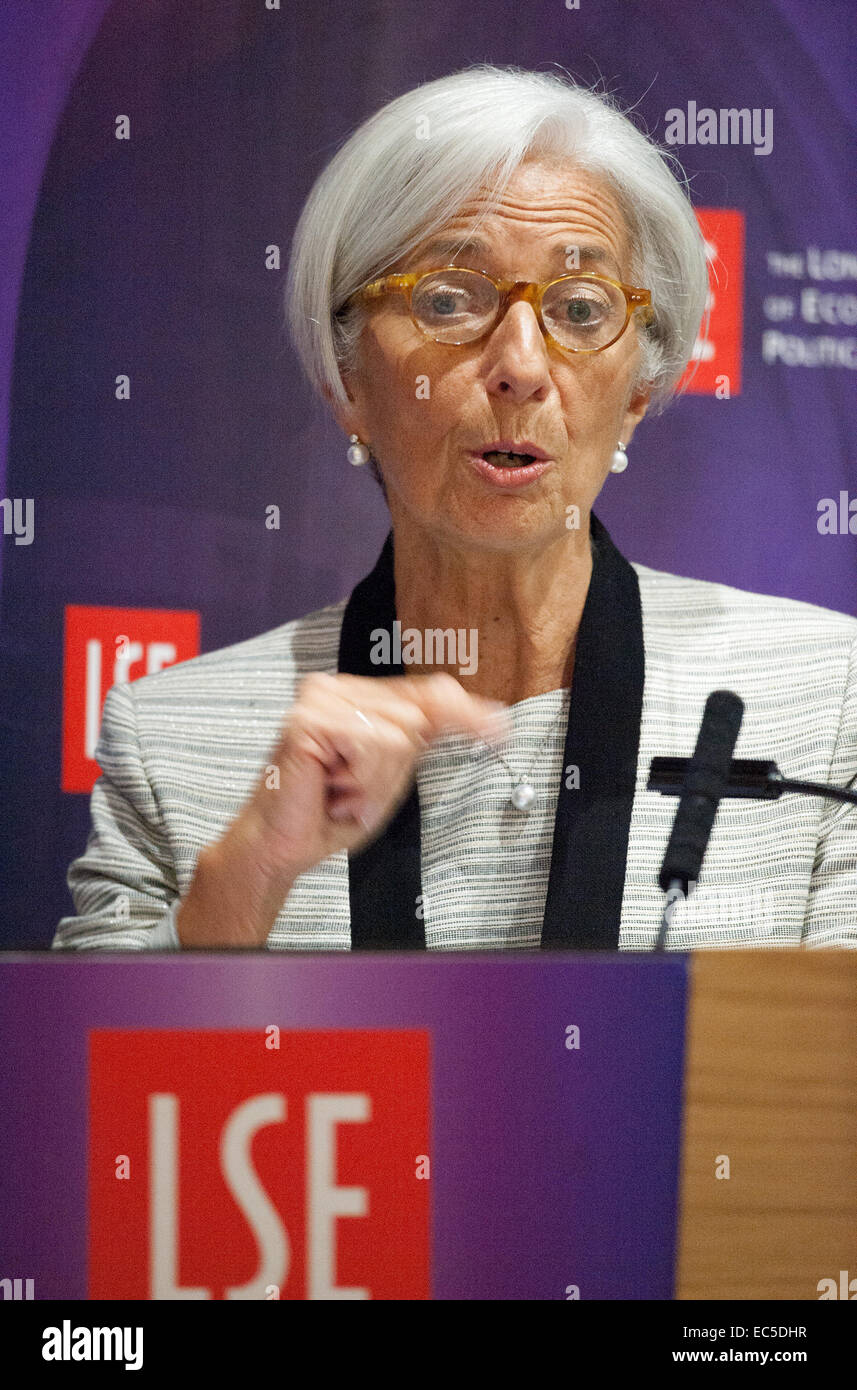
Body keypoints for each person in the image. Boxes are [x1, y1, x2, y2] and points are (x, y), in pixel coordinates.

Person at [54, 65, 857, 952]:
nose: (521, 364)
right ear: (344, 377)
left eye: (581, 308)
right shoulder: (174, 742)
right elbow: (100, 1081)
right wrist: (250, 873)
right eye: (448, 301)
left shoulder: (823, 700)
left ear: (637, 391)